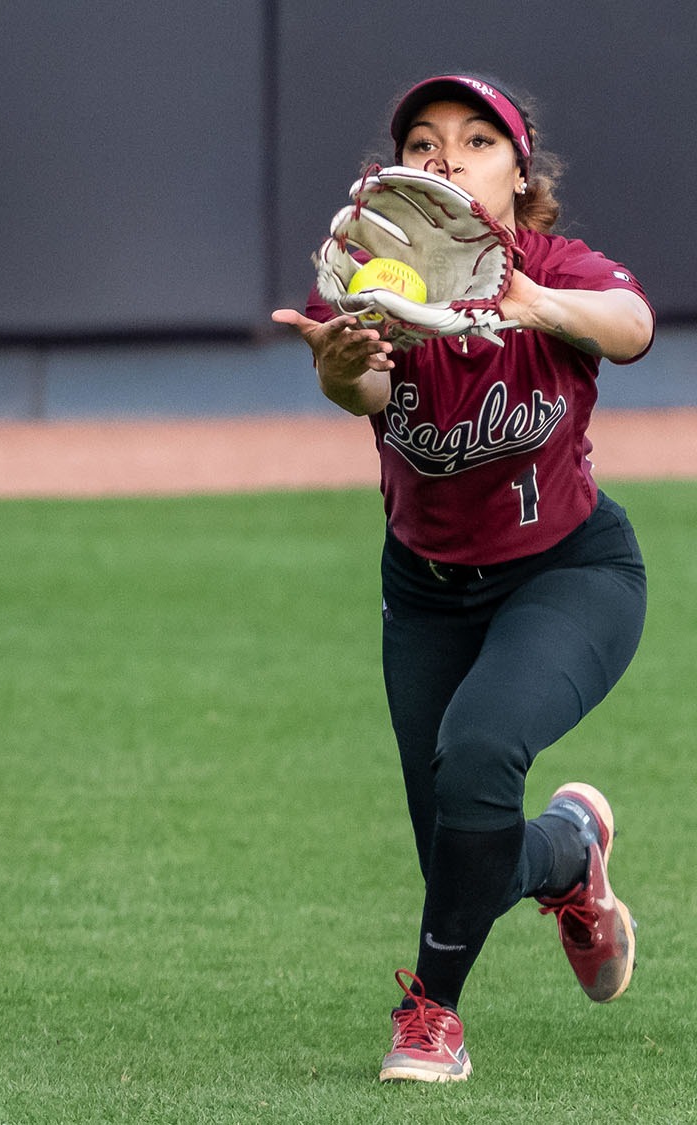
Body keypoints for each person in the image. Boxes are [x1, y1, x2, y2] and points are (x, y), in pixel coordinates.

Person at [271, 73, 655, 1084]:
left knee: (479, 751)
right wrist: (337, 366)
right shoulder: (368, 282)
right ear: (394, 173)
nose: (448, 154)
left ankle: (429, 1016)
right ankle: (569, 854)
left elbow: (632, 324)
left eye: (478, 139)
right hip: (428, 594)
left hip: (570, 574)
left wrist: (540, 305)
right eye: (426, 140)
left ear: (519, 175)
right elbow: (364, 380)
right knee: (464, 864)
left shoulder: (548, 265)